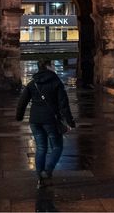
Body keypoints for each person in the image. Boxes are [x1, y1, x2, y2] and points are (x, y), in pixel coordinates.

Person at [16, 59, 76, 188]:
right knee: (57, 147)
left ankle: (40, 178)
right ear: (48, 66)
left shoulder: (33, 83)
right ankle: (47, 172)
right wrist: (70, 121)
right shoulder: (56, 82)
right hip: (51, 120)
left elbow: (22, 102)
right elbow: (64, 104)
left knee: (41, 148)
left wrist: (19, 116)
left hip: (35, 120)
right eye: (52, 65)